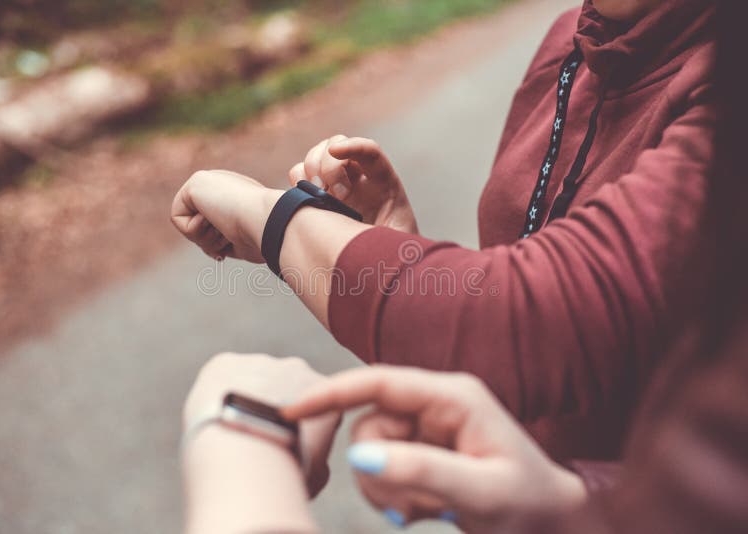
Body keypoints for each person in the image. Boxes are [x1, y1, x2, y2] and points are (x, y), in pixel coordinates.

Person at [178, 2, 748, 530]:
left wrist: (242, 446)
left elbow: (533, 321)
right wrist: (397, 248)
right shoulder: (575, 38)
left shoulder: (724, 82)